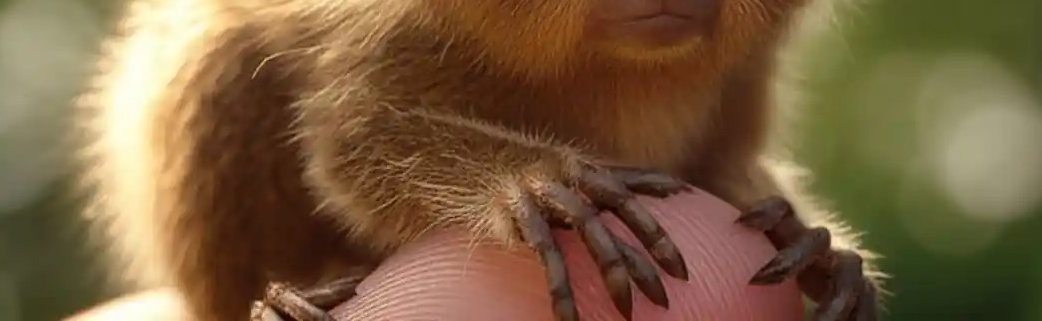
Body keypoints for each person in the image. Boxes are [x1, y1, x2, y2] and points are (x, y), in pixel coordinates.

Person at [69, 189, 803, 320]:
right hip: (269, 253)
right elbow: (354, 144)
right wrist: (507, 182)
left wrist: (803, 251)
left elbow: (727, 182)